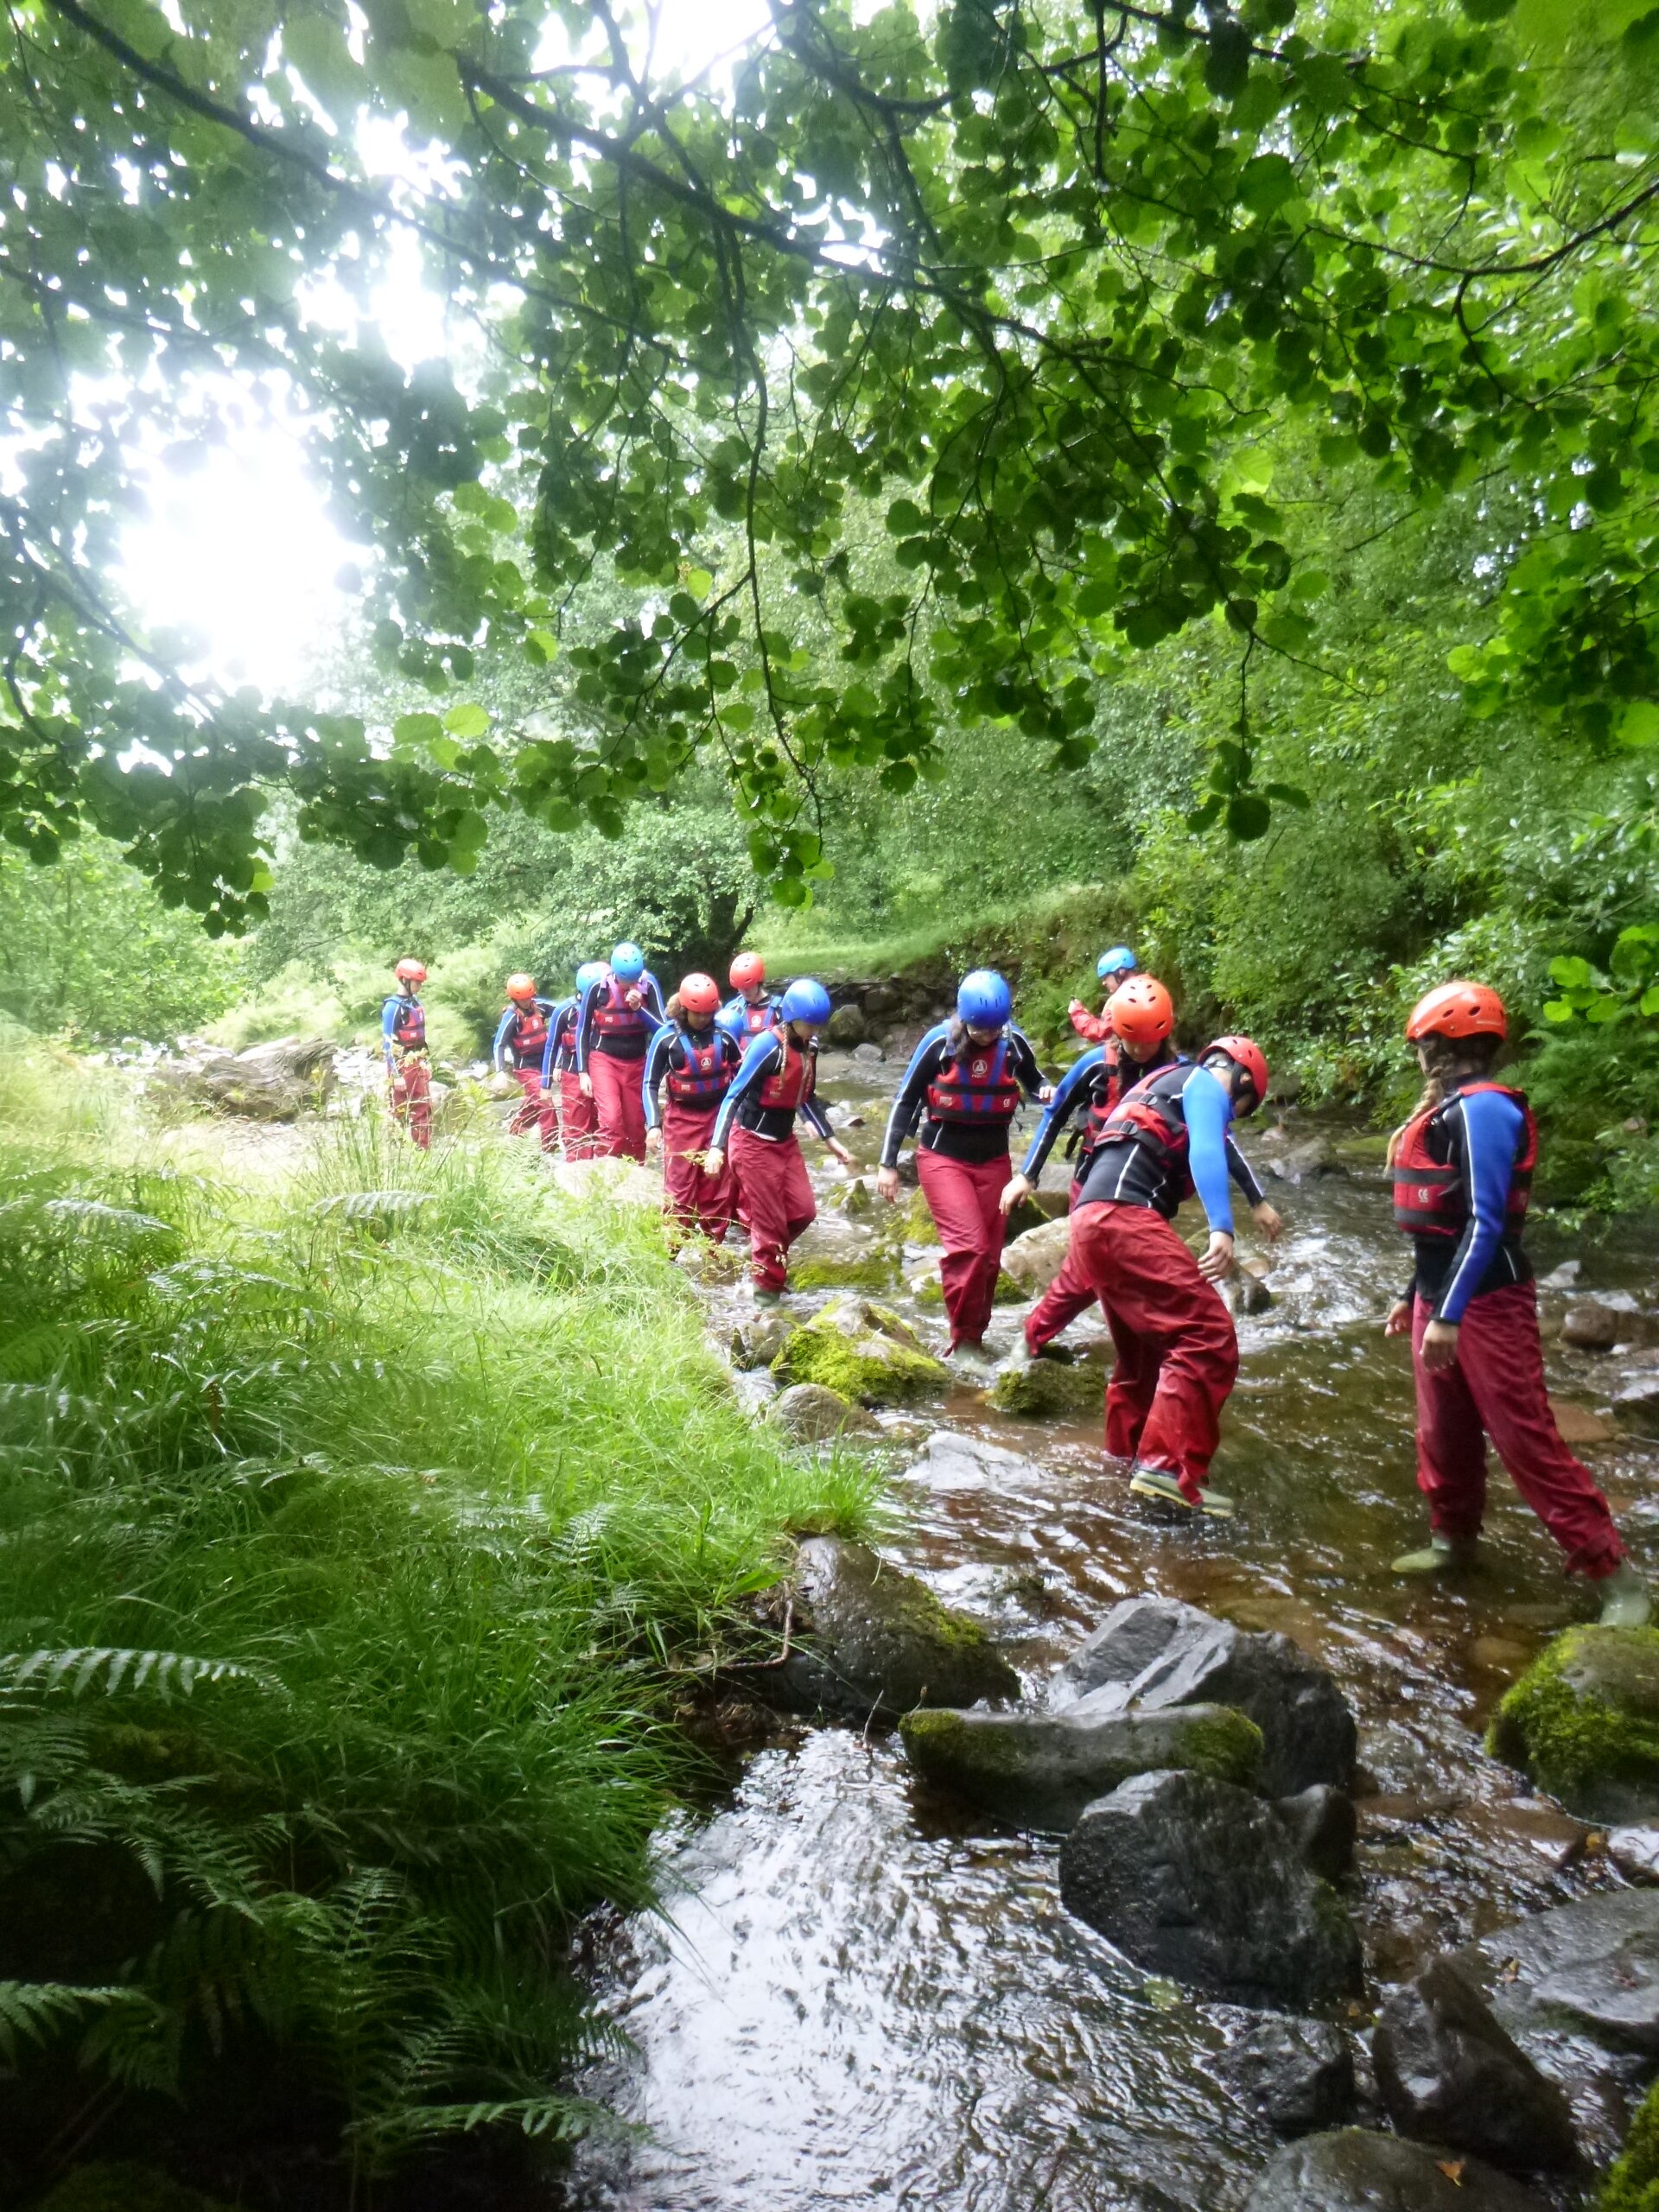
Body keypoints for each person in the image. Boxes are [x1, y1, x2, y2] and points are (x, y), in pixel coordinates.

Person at [1384, 982, 1649, 1624]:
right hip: (1436, 1295)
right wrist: (1412, 1296)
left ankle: (1616, 1577)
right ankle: (1453, 1541)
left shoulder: (1485, 1111)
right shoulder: (1450, 1109)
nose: (1418, 1054)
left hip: (1487, 1299)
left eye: (1423, 1044)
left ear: (1444, 1046)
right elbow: (1438, 1226)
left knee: (1523, 1438)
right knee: (1442, 1432)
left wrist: (1448, 1312)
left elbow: (1484, 1222)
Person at [1002, 976, 1281, 1359]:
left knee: (1098, 1275)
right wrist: (1027, 1175)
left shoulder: (1184, 1076)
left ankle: (1056, 1342)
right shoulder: (1097, 1065)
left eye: (1147, 1039)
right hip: (1093, 1184)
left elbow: (1218, 1141)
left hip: (1147, 1195)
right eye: (1129, 1037)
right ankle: (1037, 1340)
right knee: (1087, 1276)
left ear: (1165, 1032)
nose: (1137, 1048)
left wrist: (1256, 1199)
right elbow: (1055, 1113)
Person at [1067, 1034, 1272, 1518]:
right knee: (1208, 1335)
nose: (1233, 1117)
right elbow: (1207, 1150)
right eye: (1241, 1107)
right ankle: (1166, 1468)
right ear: (1239, 1081)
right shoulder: (1203, 1083)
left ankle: (1123, 1467)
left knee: (1142, 1362)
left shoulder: (1159, 1085)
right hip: (1123, 1219)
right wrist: (1223, 1228)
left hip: (1088, 1223)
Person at [875, 970, 1052, 1367]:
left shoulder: (1012, 1042)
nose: (987, 1036)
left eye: (994, 1029)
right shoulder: (939, 1043)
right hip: (943, 1158)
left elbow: (1036, 1081)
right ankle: (963, 1343)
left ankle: (975, 1335)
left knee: (989, 1259)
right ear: (964, 1018)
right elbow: (905, 1101)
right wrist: (888, 1163)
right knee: (968, 1250)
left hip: (994, 1160)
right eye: (979, 1029)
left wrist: (1046, 1091)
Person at [705, 979, 855, 1298]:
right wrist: (717, 1147)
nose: (814, 1030)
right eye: (808, 1024)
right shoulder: (767, 1046)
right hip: (751, 1143)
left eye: (818, 1025)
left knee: (804, 1212)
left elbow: (806, 1097)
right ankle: (765, 1296)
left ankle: (760, 1252)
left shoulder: (810, 1048)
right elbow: (733, 1096)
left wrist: (832, 1141)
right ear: (790, 1017)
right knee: (771, 1224)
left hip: (784, 1141)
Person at [645, 973, 744, 1245]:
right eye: (697, 1013)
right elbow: (650, 1083)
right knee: (680, 1193)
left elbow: (743, 1078)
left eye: (708, 1013)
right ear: (684, 1008)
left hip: (718, 1117)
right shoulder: (666, 1039)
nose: (703, 1019)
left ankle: (713, 1256)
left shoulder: (724, 1037)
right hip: (681, 1121)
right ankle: (670, 1256)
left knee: (717, 1192)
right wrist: (653, 1124)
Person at [575, 941, 665, 1161]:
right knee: (612, 1120)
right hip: (603, 1060)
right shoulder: (598, 987)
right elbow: (582, 1030)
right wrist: (582, 1072)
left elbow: (663, 1031)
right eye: (625, 981)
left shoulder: (648, 984)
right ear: (614, 973)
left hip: (637, 1062)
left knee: (635, 1125)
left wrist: (639, 1009)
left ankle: (636, 1172)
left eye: (633, 981)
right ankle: (607, 1174)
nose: (629, 985)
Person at [541, 962, 604, 1161]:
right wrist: (545, 1084)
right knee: (576, 1127)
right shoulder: (564, 1011)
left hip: (600, 1073)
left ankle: (600, 1169)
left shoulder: (603, 1008)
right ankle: (576, 1170)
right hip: (572, 1073)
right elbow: (551, 1046)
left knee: (600, 1124)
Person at [493, 973, 558, 1151]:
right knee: (546, 1103)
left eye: (529, 997)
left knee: (533, 1105)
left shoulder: (541, 1006)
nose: (527, 1001)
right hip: (525, 1067)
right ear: (514, 999)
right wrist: (500, 1072)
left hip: (543, 1065)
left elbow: (563, 1009)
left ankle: (514, 1135)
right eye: (522, 999)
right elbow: (499, 1044)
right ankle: (550, 1150)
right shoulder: (511, 1017)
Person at [382, 957, 432, 1150]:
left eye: (420, 982)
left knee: (423, 1106)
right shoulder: (393, 1007)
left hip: (418, 1061)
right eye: (416, 982)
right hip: (401, 1064)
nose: (419, 986)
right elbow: (387, 1044)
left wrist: (426, 1062)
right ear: (404, 980)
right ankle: (396, 1152)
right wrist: (396, 1075)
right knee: (399, 1110)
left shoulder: (414, 1003)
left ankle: (423, 1150)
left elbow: (422, 1038)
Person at [1067, 944, 1140, 1044]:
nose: (1104, 983)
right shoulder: (1144, 986)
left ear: (1120, 972)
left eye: (1106, 977)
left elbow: (1101, 1033)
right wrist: (1087, 1015)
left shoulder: (1126, 998)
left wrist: (1077, 1013)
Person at [718, 950, 778, 1041]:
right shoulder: (732, 1008)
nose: (745, 991)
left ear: (759, 981)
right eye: (740, 987)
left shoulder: (778, 1008)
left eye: (749, 986)